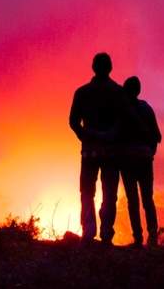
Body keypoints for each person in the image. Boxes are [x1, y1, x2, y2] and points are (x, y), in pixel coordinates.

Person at [68, 52, 125, 244]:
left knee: (87, 190)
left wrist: (86, 136)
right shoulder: (118, 92)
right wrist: (110, 135)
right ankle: (106, 231)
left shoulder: (82, 92)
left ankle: (89, 230)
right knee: (109, 192)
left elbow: (73, 121)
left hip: (89, 150)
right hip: (111, 151)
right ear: (110, 68)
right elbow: (123, 121)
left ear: (93, 67)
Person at [119, 75, 161, 247]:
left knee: (132, 200)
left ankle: (138, 238)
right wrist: (150, 152)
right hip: (145, 159)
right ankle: (153, 236)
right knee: (147, 199)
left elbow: (117, 135)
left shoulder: (122, 110)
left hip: (127, 161)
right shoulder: (147, 108)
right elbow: (157, 136)